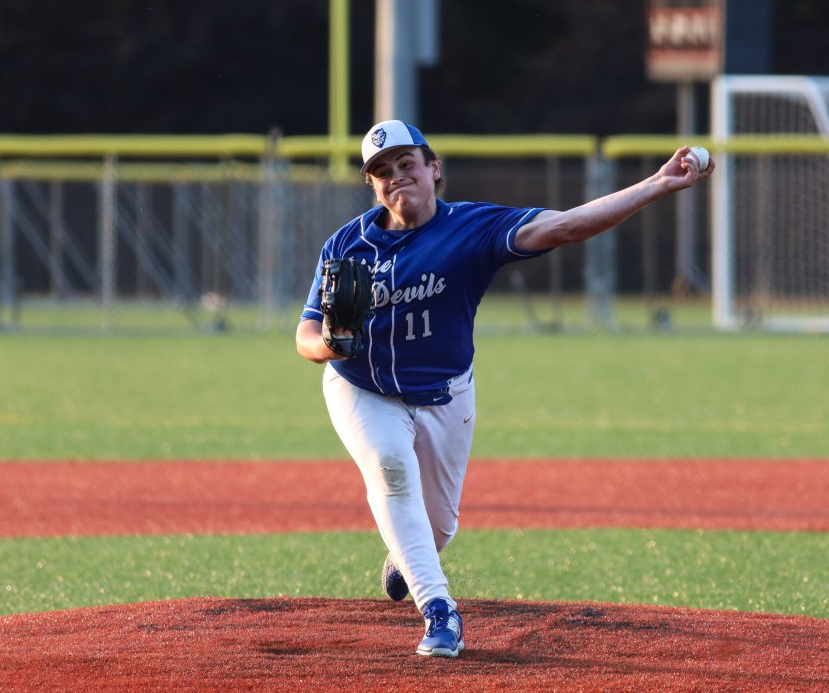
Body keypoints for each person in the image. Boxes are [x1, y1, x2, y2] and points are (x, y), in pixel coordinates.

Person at [295, 119, 714, 658]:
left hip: (446, 392)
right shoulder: (346, 245)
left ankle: (407, 557)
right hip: (363, 388)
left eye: (406, 163)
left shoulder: (472, 228)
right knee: (390, 471)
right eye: (381, 170)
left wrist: (655, 185)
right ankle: (440, 613)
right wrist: (332, 344)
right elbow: (306, 336)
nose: (396, 177)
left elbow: (566, 225)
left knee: (439, 525)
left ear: (433, 168)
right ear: (370, 183)